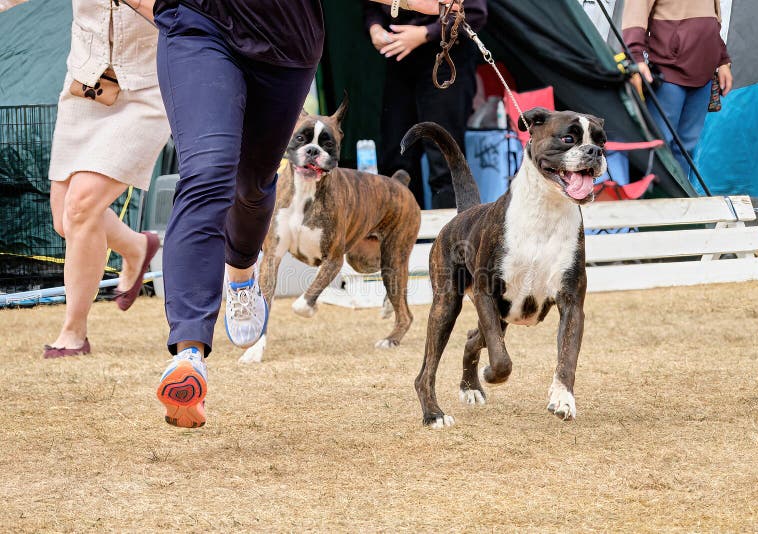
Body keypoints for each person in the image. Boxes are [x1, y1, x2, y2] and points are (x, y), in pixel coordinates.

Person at [141, 0, 452, 428]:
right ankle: (189, 353)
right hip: (199, 25)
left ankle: (240, 273)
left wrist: (439, 7)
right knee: (207, 171)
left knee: (253, 184)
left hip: (286, 44)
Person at [0, 0, 170, 358]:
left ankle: (73, 333)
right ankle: (137, 246)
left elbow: (177, 14)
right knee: (65, 221)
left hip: (147, 89)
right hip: (86, 86)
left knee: (82, 207)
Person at [364, 0, 487, 209]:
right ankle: (401, 233)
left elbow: (475, 13)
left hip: (447, 57)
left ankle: (449, 236)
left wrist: (424, 33)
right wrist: (374, 27)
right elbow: (371, 6)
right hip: (400, 60)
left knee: (443, 157)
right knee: (396, 154)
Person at [623, 0, 733, 188]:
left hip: (704, 74)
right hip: (667, 71)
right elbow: (636, 11)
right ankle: (647, 201)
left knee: (686, 148)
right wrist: (635, 56)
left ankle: (678, 199)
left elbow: (712, 20)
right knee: (658, 145)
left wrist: (722, 60)